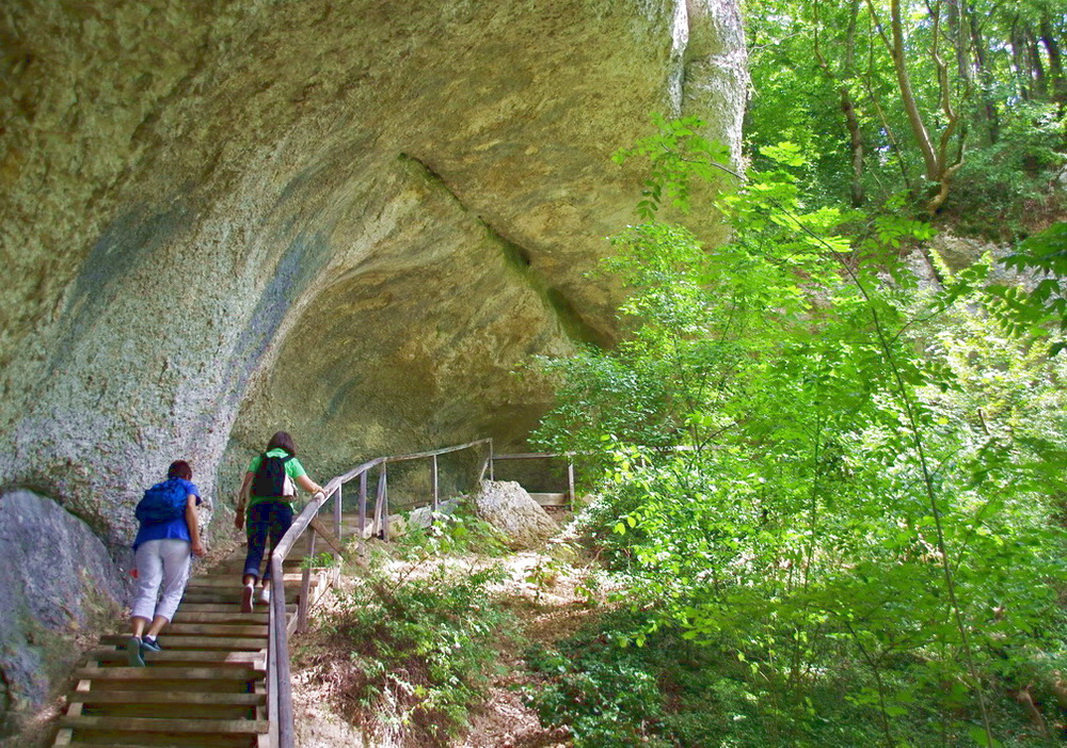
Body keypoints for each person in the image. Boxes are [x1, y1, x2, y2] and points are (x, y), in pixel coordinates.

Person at [235, 431, 324, 613]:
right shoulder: (290, 461)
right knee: (277, 550)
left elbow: (246, 486)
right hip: (281, 508)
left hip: (257, 508)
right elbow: (308, 486)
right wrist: (320, 490)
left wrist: (240, 511)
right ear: (289, 445)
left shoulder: (258, 459)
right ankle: (266, 590)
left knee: (255, 547)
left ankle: (250, 584)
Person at [127, 460, 204, 667]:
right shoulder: (187, 486)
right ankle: (151, 637)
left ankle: (135, 635)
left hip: (147, 542)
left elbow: (143, 518)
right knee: (173, 590)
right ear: (188, 476)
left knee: (147, 588)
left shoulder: (155, 490)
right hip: (177, 540)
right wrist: (196, 541)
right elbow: (190, 508)